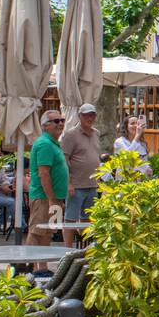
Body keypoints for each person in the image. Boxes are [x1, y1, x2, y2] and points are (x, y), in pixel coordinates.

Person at [26, 110, 69, 247]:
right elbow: (43, 174)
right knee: (36, 232)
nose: (61, 123)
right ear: (45, 126)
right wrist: (52, 199)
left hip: (53, 197)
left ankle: (41, 267)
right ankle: (27, 265)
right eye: (56, 121)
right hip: (44, 197)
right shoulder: (45, 144)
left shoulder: (53, 143)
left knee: (47, 232)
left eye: (62, 120)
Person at [60, 104, 102, 245]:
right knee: (70, 219)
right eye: (86, 115)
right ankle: (67, 249)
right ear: (80, 116)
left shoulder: (96, 133)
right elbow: (64, 160)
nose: (89, 118)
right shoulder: (71, 134)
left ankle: (84, 248)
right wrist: (68, 183)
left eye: (92, 115)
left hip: (92, 184)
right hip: (76, 185)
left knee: (87, 218)